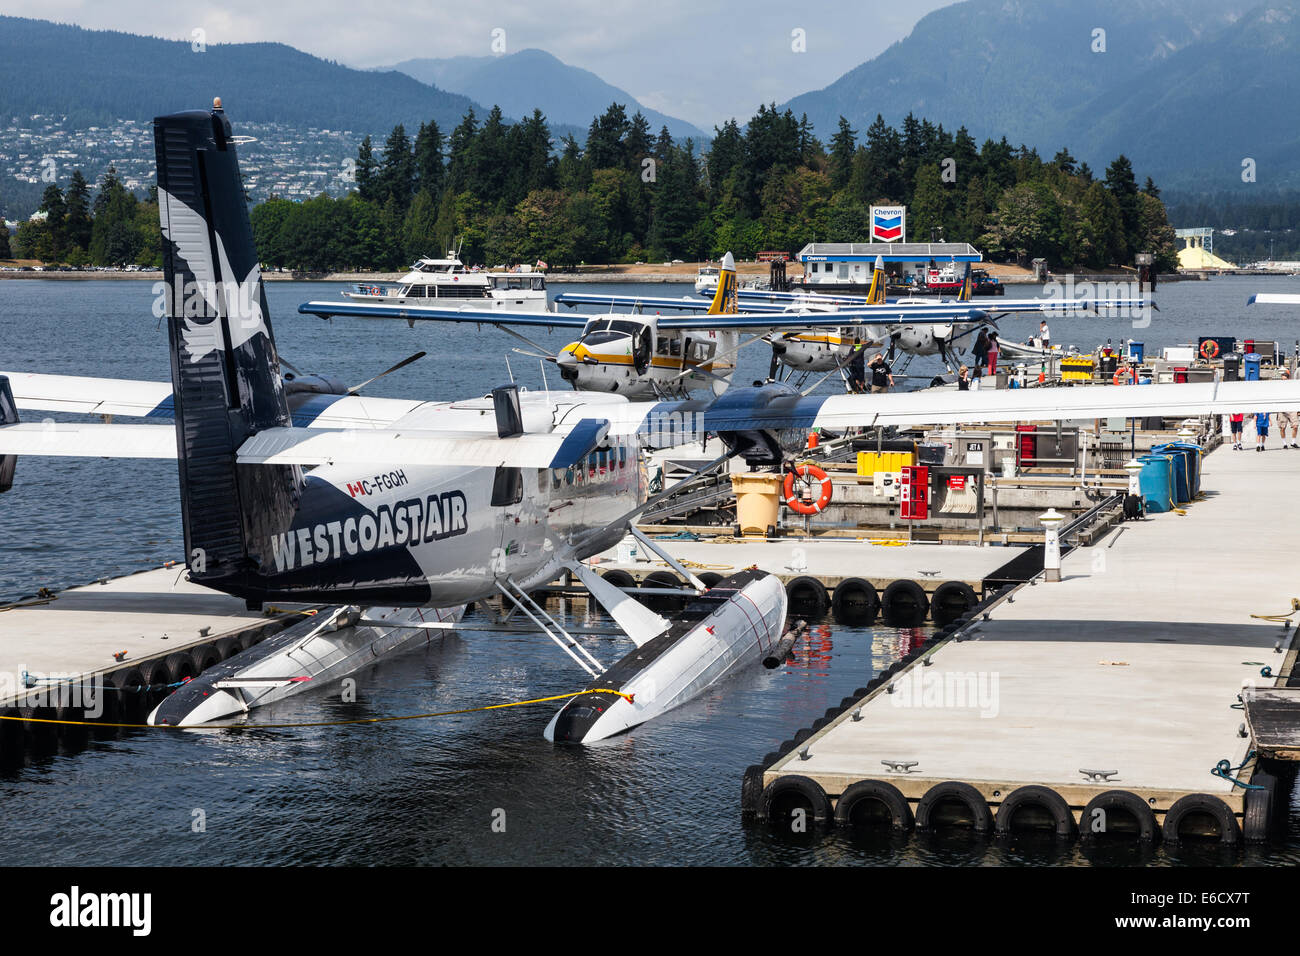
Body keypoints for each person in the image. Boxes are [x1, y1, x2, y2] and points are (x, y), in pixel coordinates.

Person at [1281, 369, 1299, 447]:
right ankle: (1284, 443)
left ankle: (1293, 442)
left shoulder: (1292, 385)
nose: (1283, 381)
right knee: (1282, 427)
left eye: (1285, 379)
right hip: (1282, 408)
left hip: (1292, 407)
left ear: (1288, 379)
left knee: (1295, 426)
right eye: (1282, 379)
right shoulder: (1278, 386)